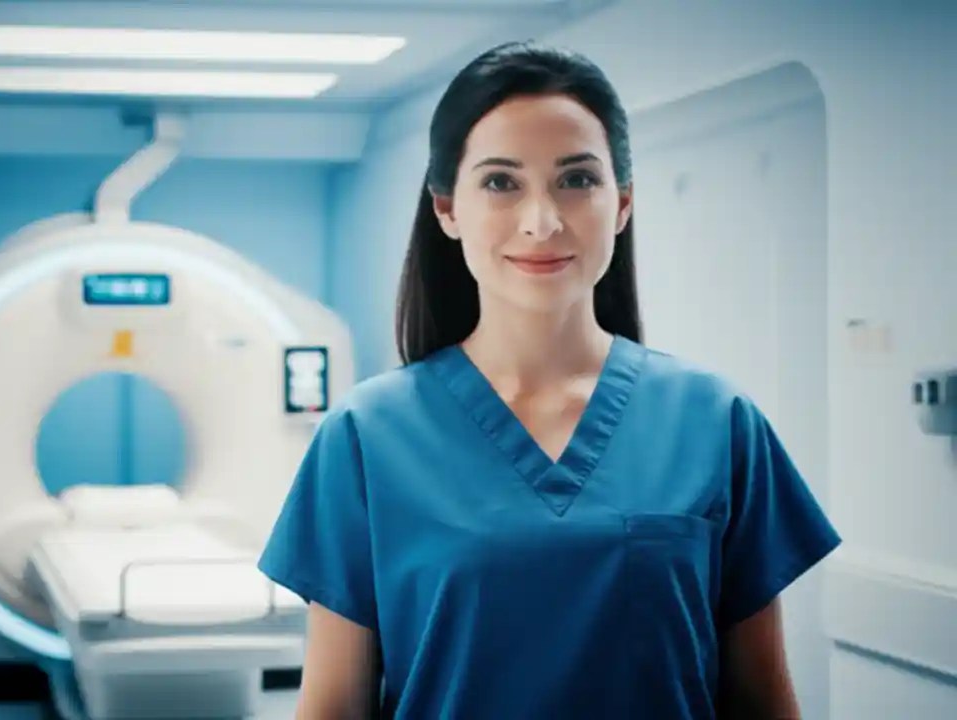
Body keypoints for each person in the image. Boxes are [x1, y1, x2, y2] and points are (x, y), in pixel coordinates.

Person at [257, 40, 841, 719]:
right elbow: (332, 707)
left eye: (577, 179)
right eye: (502, 182)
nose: (543, 220)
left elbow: (764, 702)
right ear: (447, 208)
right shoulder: (367, 437)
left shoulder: (715, 421)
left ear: (621, 204)